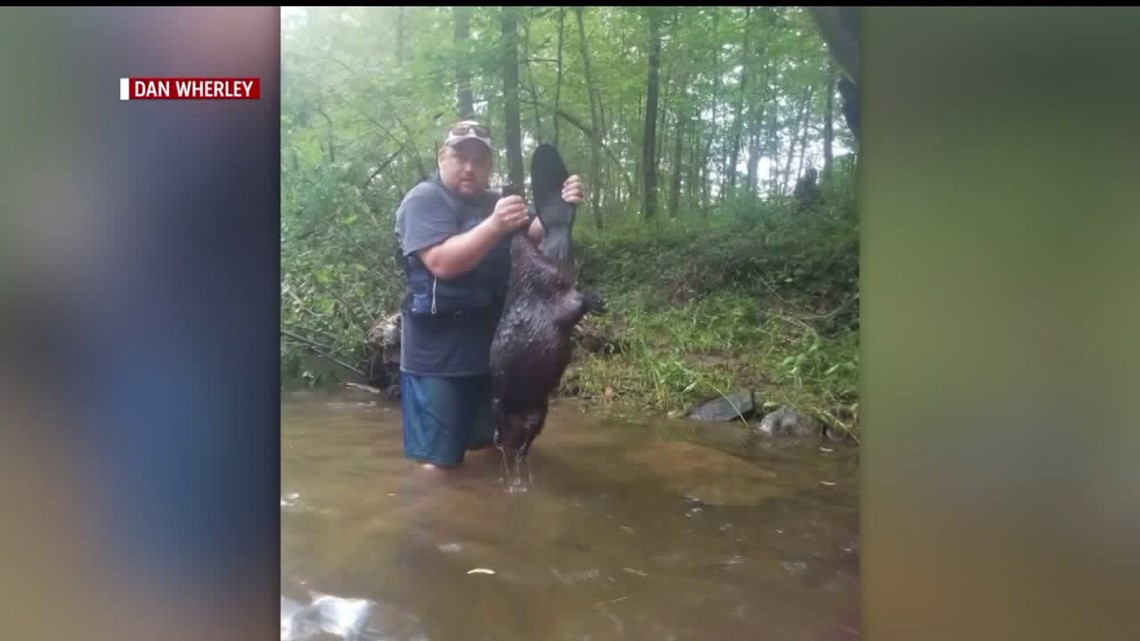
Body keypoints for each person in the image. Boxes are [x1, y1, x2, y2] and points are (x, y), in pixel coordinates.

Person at [393, 120, 584, 470]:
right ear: (442, 157)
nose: (469, 167)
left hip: (494, 356)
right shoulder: (423, 200)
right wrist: (495, 224)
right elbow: (442, 262)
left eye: (479, 160)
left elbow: (537, 237)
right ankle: (431, 521)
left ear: (489, 165)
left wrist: (559, 206)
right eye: (459, 156)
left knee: (490, 451)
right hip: (437, 359)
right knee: (436, 464)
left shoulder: (497, 202)